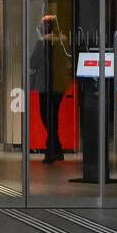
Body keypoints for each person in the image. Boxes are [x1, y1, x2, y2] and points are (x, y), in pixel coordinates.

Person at [29, 13, 72, 164]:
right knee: (53, 116)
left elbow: (33, 62)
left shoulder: (42, 43)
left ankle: (51, 152)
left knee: (46, 116)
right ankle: (56, 149)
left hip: (46, 84)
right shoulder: (63, 41)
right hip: (59, 84)